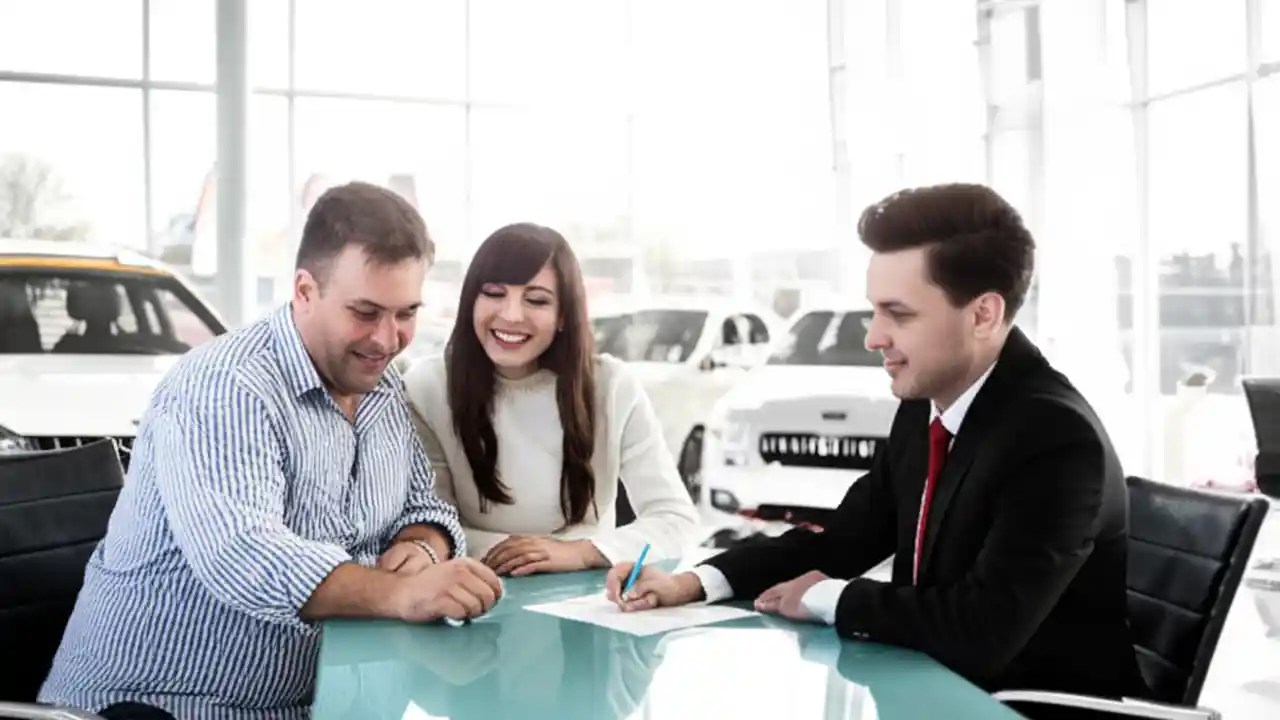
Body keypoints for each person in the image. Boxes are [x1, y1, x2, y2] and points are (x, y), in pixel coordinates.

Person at [606, 184, 1145, 703]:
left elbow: (982, 630)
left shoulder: (1055, 438)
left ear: (984, 314)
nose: (873, 337)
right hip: (932, 694)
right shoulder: (926, 407)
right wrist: (695, 583)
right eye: (875, 311)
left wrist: (828, 596)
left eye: (899, 314)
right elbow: (841, 540)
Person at [39, 182, 503, 720]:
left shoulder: (381, 387)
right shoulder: (226, 386)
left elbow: (424, 505)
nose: (387, 338)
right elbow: (246, 557)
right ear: (304, 291)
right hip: (166, 708)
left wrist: (424, 547)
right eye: (366, 311)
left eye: (406, 313)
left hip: (315, 704)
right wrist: (401, 595)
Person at [404, 223, 700, 576]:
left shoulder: (611, 387)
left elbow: (676, 521)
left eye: (537, 300)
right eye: (494, 293)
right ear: (470, 302)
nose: (512, 314)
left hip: (590, 599)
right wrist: (522, 555)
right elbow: (433, 526)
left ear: (563, 315)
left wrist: (579, 552)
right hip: (473, 590)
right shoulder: (427, 387)